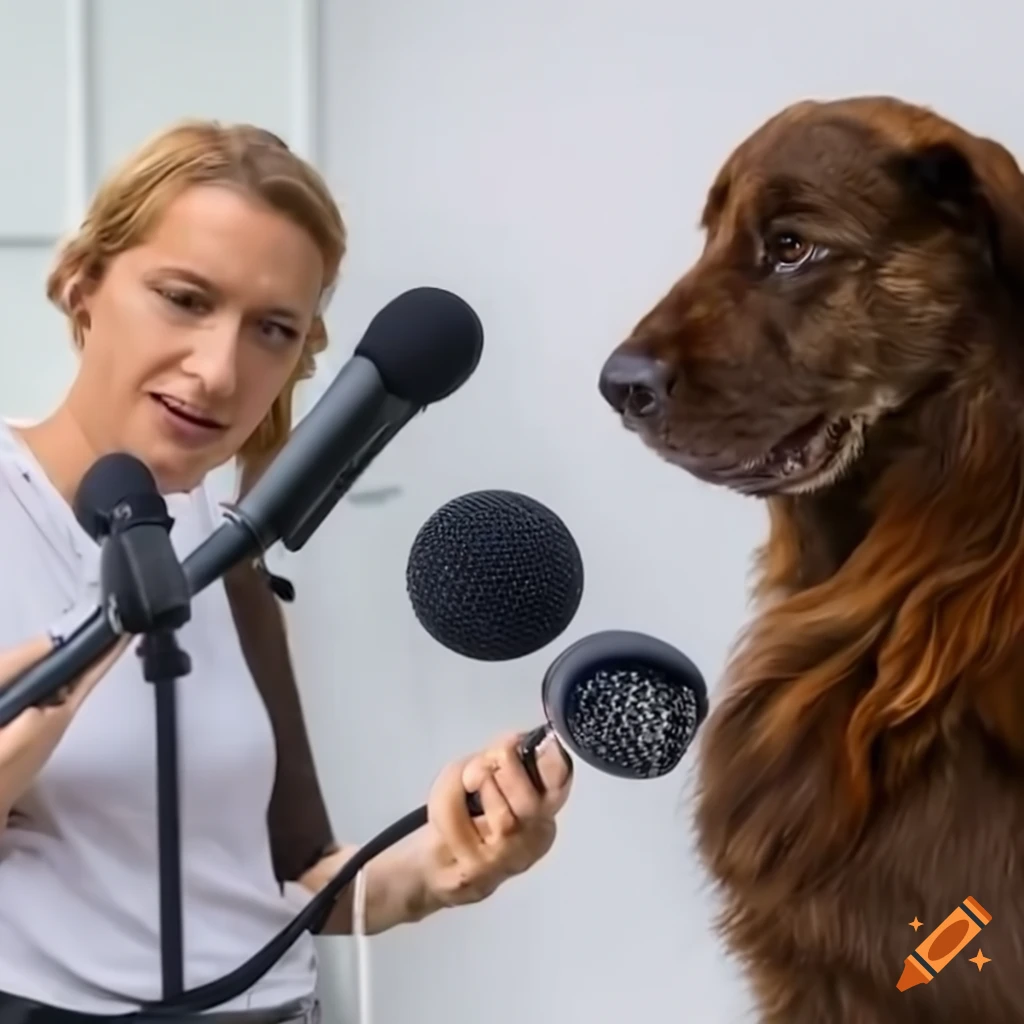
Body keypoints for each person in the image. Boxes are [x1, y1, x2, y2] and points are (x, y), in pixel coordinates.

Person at [0, 121, 573, 1022]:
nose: (221, 370)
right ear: (82, 287)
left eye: (272, 330)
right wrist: (68, 669)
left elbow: (295, 876)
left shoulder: (225, 547)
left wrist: (450, 862)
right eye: (185, 298)